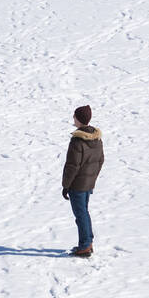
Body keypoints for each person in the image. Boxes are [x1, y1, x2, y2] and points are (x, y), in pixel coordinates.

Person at [61, 105, 103, 257]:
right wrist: (92, 178)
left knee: (81, 215)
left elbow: (72, 166)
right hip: (87, 184)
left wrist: (66, 186)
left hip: (77, 185)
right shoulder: (97, 138)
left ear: (78, 119)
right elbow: (100, 160)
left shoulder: (77, 141)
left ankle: (85, 246)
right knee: (84, 213)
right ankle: (87, 242)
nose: (73, 118)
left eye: (74, 116)